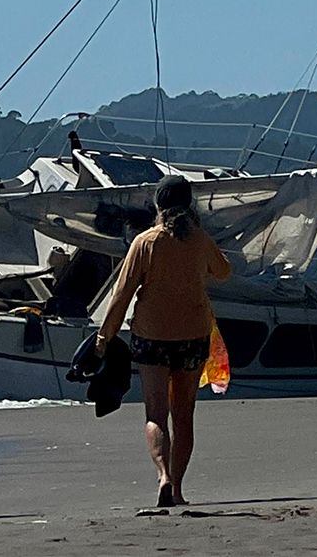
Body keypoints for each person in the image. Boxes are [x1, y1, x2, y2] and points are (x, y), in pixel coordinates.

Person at [96, 175, 231, 507]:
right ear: (189, 205)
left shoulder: (145, 241)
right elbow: (224, 271)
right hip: (193, 336)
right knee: (183, 414)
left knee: (156, 413)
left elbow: (122, 294)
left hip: (152, 336)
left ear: (158, 205)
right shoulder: (200, 239)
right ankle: (180, 490)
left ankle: (163, 477)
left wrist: (104, 337)